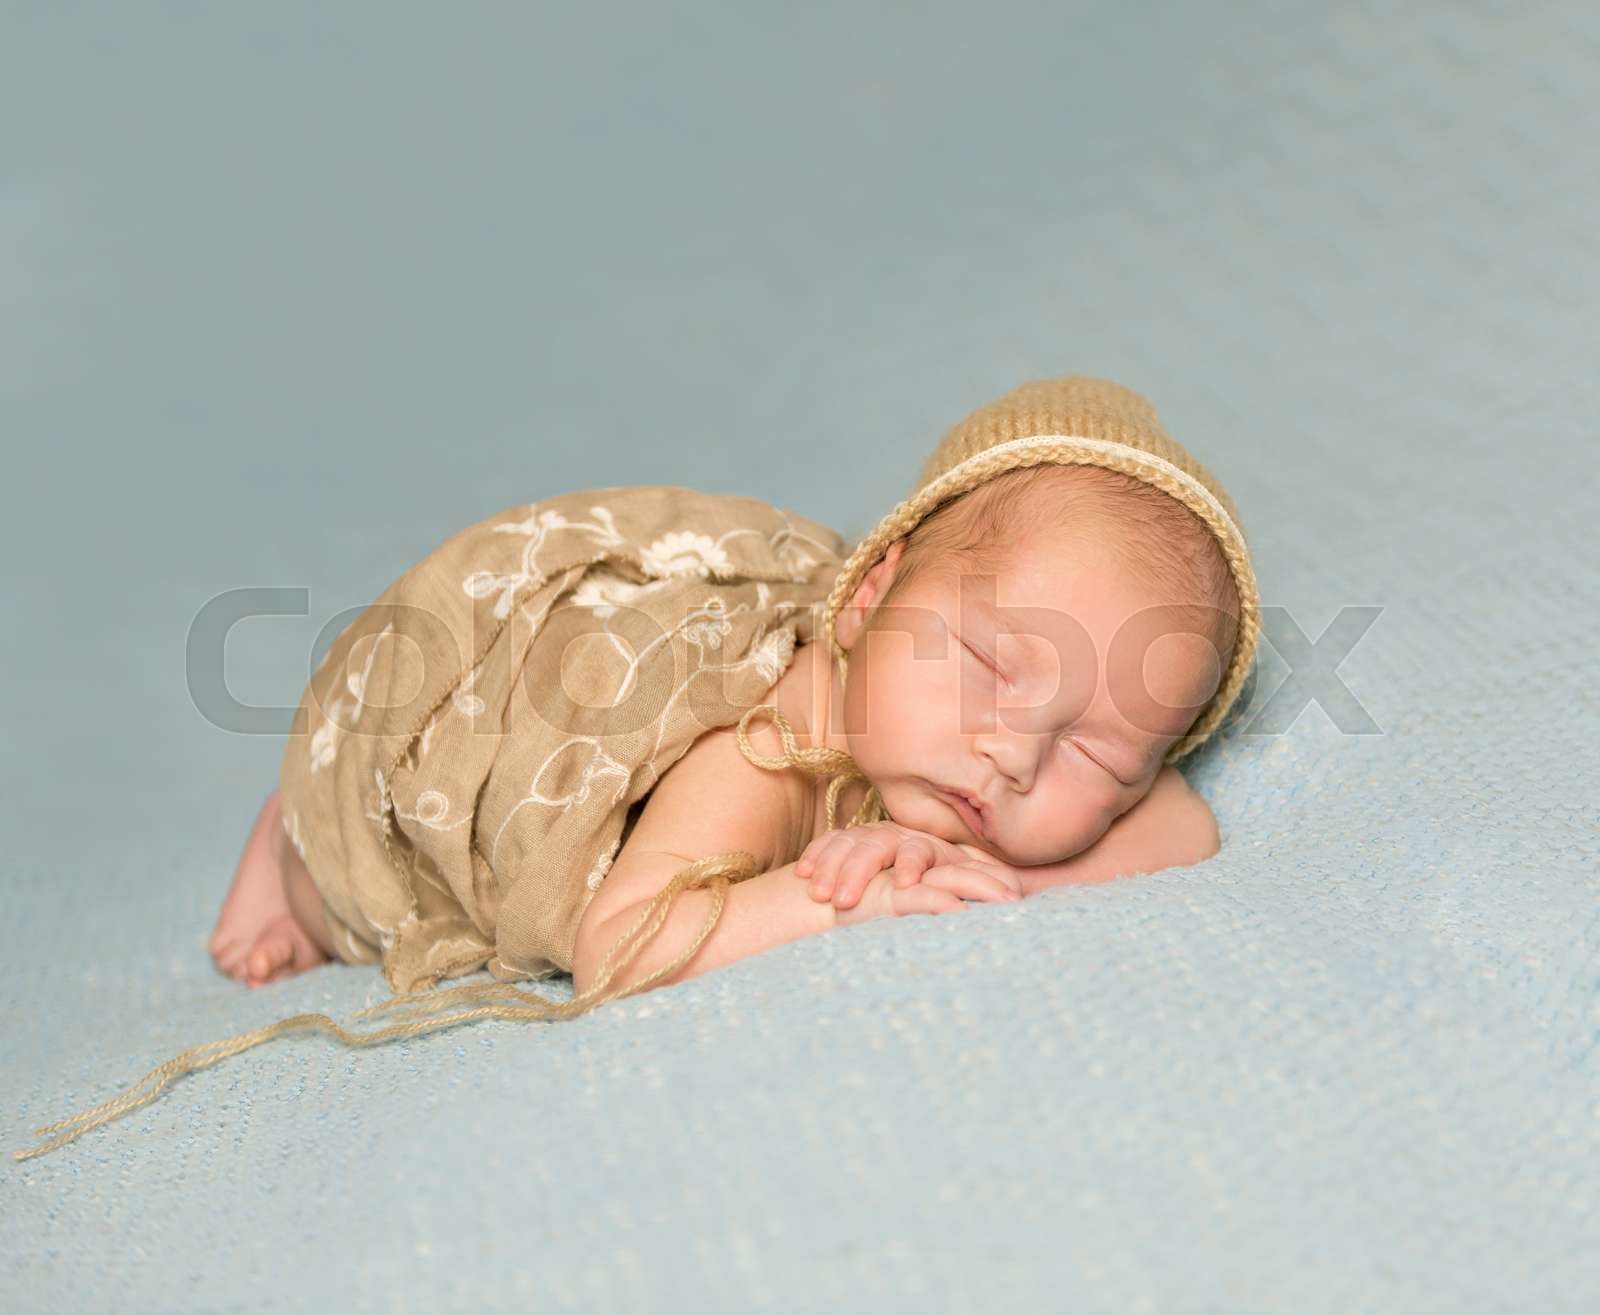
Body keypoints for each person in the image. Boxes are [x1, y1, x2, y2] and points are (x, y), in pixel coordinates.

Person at [15, 374, 1261, 1161]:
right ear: (874, 592)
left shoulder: (967, 763)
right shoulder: (764, 751)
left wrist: (979, 864)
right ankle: (283, 840)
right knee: (370, 874)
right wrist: (839, 895)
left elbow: (1185, 828)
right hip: (475, 739)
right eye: (990, 666)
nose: (1012, 753)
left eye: (1095, 748)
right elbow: (619, 948)